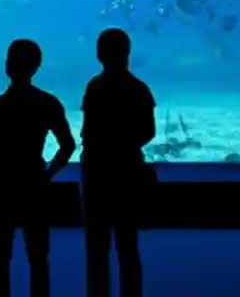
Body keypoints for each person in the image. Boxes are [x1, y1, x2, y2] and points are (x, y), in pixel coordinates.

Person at [0, 39, 75, 297]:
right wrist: (48, 174)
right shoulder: (48, 102)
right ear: (37, 67)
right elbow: (67, 145)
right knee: (38, 257)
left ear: (8, 65)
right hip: (35, 185)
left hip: (2, 188)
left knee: (0, 258)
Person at [81, 28, 157, 297]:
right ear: (128, 53)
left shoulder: (94, 87)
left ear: (99, 54)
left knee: (96, 248)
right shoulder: (139, 89)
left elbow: (87, 131)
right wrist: (125, 144)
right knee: (128, 246)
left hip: (96, 174)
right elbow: (149, 131)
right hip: (127, 172)